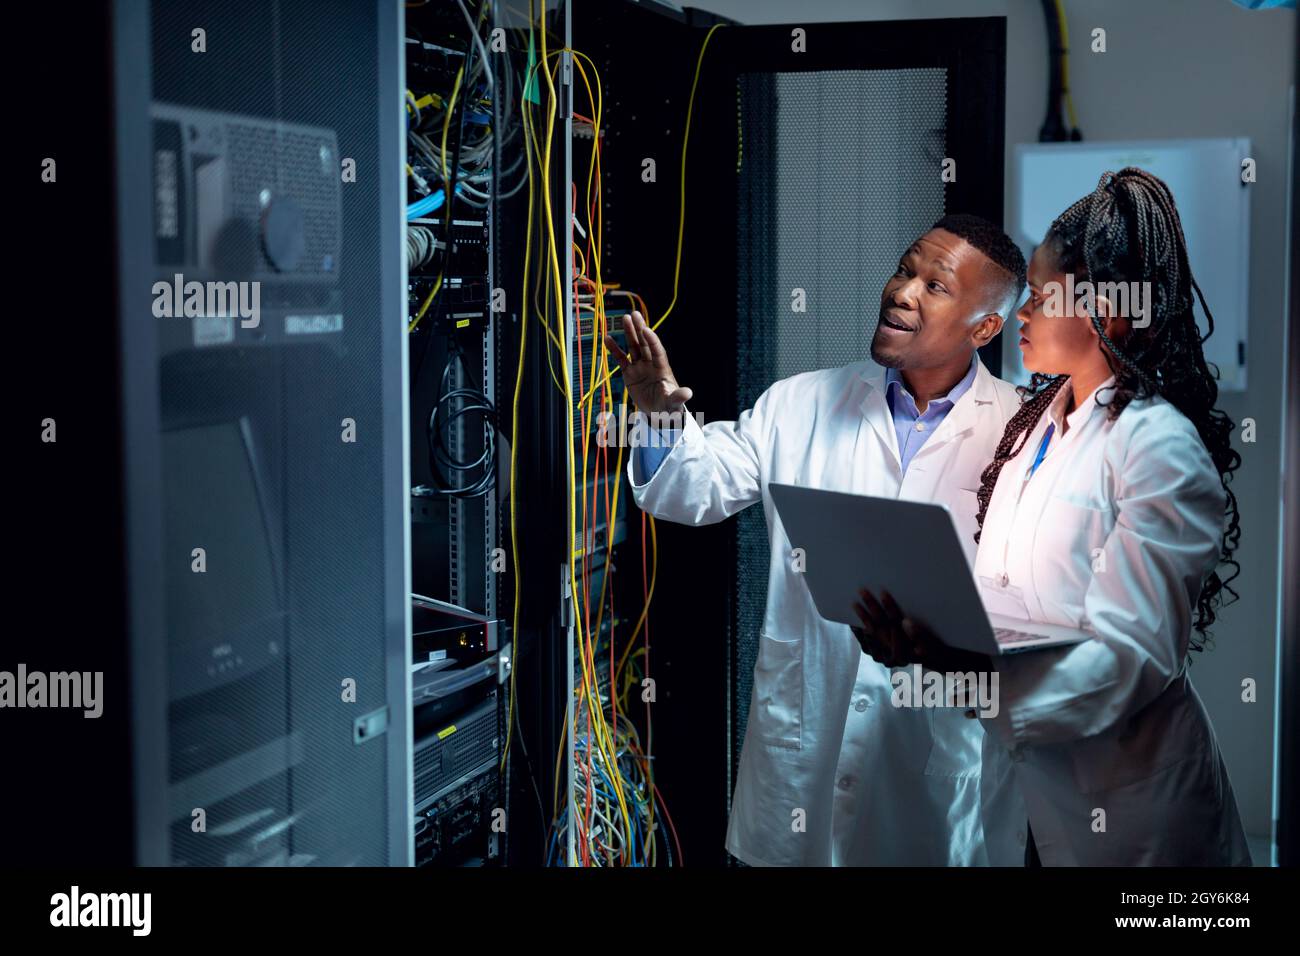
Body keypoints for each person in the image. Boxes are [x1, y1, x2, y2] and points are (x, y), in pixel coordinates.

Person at [854, 169, 1251, 866]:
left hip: (1138, 814)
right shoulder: (1036, 425)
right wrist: (925, 648)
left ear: (1113, 313)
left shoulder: (1157, 449)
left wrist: (960, 667)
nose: (1023, 314)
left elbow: (1131, 664)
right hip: (1033, 800)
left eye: (1039, 296)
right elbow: (1008, 605)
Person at [604, 214, 1025, 866]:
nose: (903, 291)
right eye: (904, 268)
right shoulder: (797, 404)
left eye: (935, 286)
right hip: (800, 766)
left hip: (937, 782)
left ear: (984, 327)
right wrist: (659, 412)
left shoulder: (1027, 437)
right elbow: (692, 489)